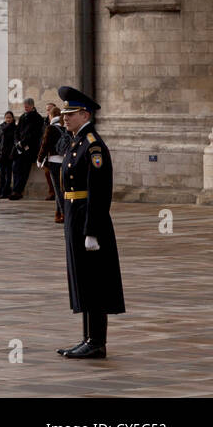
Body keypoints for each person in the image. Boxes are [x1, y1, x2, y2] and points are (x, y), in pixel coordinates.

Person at [55, 86, 125, 360]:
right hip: (75, 216)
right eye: (63, 113)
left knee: (94, 280)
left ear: (84, 114)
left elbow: (99, 190)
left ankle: (97, 340)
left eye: (69, 113)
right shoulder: (77, 141)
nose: (64, 118)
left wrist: (92, 230)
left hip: (88, 219)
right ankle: (88, 337)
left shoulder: (93, 145)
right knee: (83, 279)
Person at [38, 103, 70, 225]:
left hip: (53, 162)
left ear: (52, 116)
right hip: (65, 160)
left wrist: (39, 159)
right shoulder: (65, 128)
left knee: (58, 189)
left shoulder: (51, 128)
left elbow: (44, 145)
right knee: (61, 189)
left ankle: (64, 214)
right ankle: (58, 214)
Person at [12, 98, 44, 198]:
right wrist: (17, 142)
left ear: (32, 106)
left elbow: (35, 134)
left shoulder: (38, 118)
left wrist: (23, 142)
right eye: (24, 106)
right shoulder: (22, 117)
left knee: (24, 171)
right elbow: (17, 131)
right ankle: (15, 190)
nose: (25, 108)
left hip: (30, 149)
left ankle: (18, 191)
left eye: (27, 106)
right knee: (16, 169)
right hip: (19, 148)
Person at [0, 110, 17, 199]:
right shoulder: (1, 128)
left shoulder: (15, 128)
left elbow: (15, 141)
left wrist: (12, 151)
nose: (8, 119)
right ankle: (1, 192)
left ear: (12, 118)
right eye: (7, 117)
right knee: (2, 174)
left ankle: (6, 192)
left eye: (10, 117)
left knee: (8, 175)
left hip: (10, 155)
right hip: (2, 154)